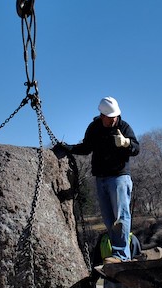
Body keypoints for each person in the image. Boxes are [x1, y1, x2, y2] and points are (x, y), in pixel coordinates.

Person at [60, 96, 140, 262]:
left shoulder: (123, 126)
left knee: (121, 217)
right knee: (108, 218)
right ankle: (116, 254)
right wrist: (67, 148)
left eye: (115, 116)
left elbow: (136, 149)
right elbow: (86, 148)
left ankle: (121, 255)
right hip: (101, 178)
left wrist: (126, 143)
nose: (113, 120)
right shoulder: (94, 127)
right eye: (110, 117)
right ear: (102, 115)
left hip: (119, 177)